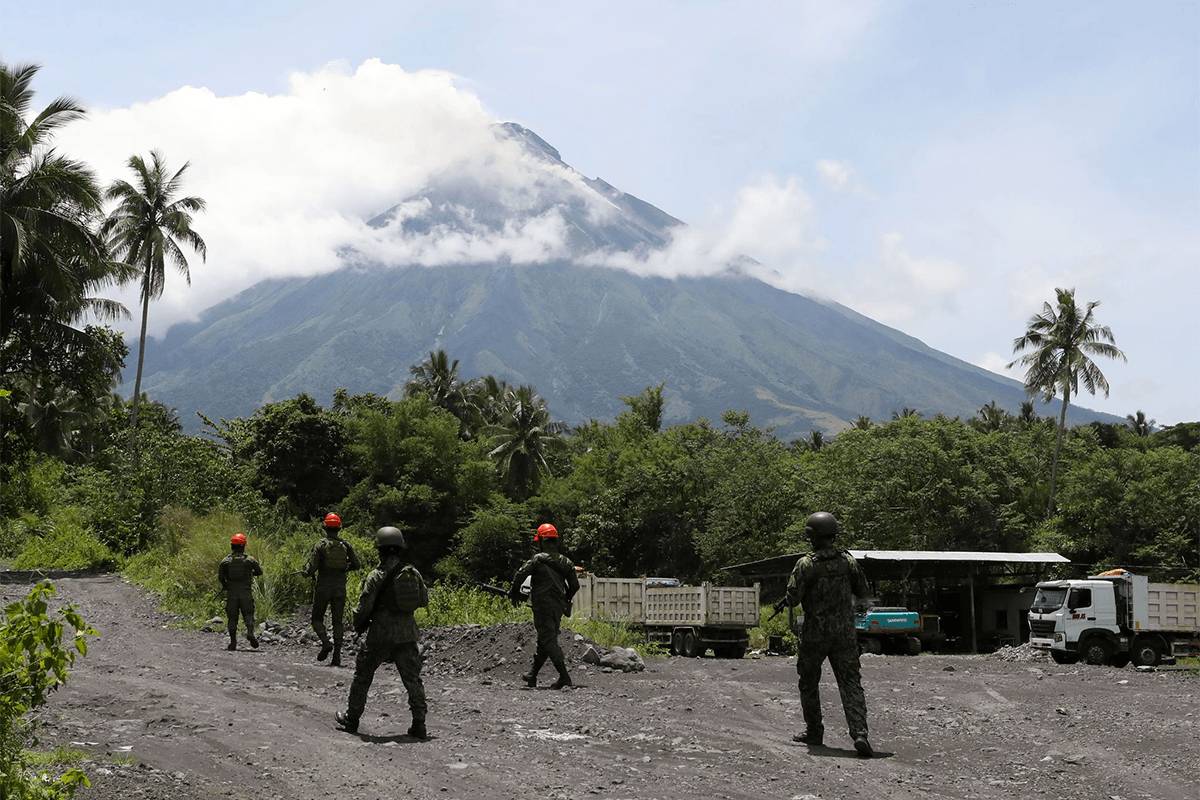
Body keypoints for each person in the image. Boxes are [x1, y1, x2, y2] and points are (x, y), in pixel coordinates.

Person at [784, 511, 874, 757]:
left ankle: (814, 731)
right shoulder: (848, 561)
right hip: (845, 634)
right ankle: (860, 733)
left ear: (811, 536)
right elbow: (864, 590)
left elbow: (793, 599)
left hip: (816, 634)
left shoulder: (806, 564)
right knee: (850, 682)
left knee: (809, 682)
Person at [336, 526, 429, 739]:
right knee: (413, 679)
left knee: (363, 676)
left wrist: (358, 624)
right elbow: (424, 600)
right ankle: (419, 723)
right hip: (407, 634)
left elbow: (364, 607)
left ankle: (352, 719)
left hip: (380, 635)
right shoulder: (412, 573)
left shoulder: (376, 575)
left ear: (380, 549)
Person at [511, 523, 579, 689]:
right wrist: (566, 599)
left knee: (548, 640)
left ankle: (564, 677)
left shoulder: (537, 559)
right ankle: (532, 676)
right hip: (557, 608)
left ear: (541, 540)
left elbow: (520, 574)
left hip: (542, 606)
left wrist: (514, 592)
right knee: (545, 640)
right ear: (555, 541)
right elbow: (575, 586)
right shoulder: (567, 562)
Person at [305, 512, 361, 666]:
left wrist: (306, 572)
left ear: (325, 527)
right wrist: (344, 569)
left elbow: (312, 568)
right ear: (339, 528)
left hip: (323, 587)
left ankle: (325, 642)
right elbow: (357, 564)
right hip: (339, 588)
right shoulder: (346, 545)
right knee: (337, 622)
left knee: (316, 619)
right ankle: (337, 657)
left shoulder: (320, 545)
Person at [218, 532, 263, 651]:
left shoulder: (225, 561)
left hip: (232, 594)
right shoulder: (249, 560)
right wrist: (249, 574)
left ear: (232, 546)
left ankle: (233, 643)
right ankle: (250, 632)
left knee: (232, 618)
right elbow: (259, 572)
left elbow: (221, 578)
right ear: (243, 546)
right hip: (245, 593)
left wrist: (226, 585)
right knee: (248, 615)